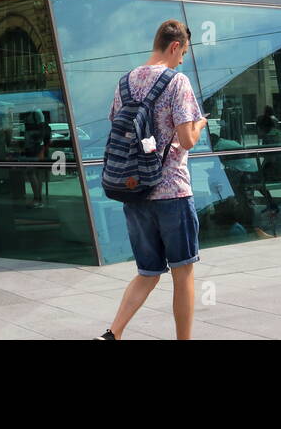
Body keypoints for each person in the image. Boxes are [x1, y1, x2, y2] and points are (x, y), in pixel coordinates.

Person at [97, 20, 206, 341]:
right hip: (172, 191)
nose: (182, 60)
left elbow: (118, 128)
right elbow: (186, 140)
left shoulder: (125, 82)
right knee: (183, 271)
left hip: (134, 191)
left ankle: (112, 334)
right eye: (183, 52)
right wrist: (200, 123)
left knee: (147, 272)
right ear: (174, 46)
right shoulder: (178, 81)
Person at [22, 110, 51, 208]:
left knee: (31, 172)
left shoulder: (37, 113)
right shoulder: (29, 112)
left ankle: (37, 199)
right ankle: (38, 198)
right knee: (34, 173)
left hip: (35, 147)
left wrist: (36, 143)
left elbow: (42, 130)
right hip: (30, 146)